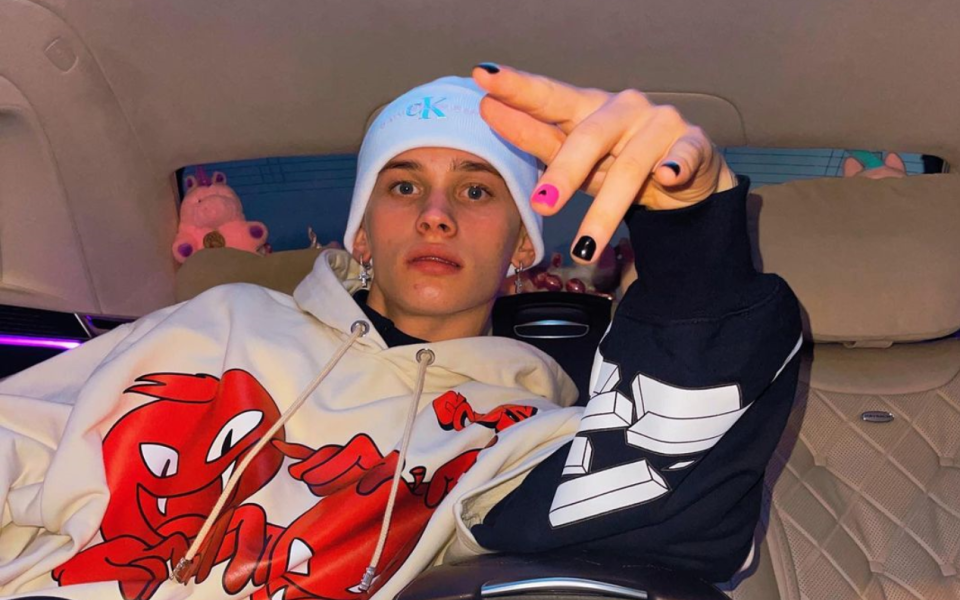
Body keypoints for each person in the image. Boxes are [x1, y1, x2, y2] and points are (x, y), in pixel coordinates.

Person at [0, 65, 801, 600]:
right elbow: (17, 436)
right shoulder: (221, 319)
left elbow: (666, 493)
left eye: (477, 191)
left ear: (524, 246)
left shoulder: (516, 431)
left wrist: (690, 230)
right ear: (360, 231)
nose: (436, 214)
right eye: (404, 185)